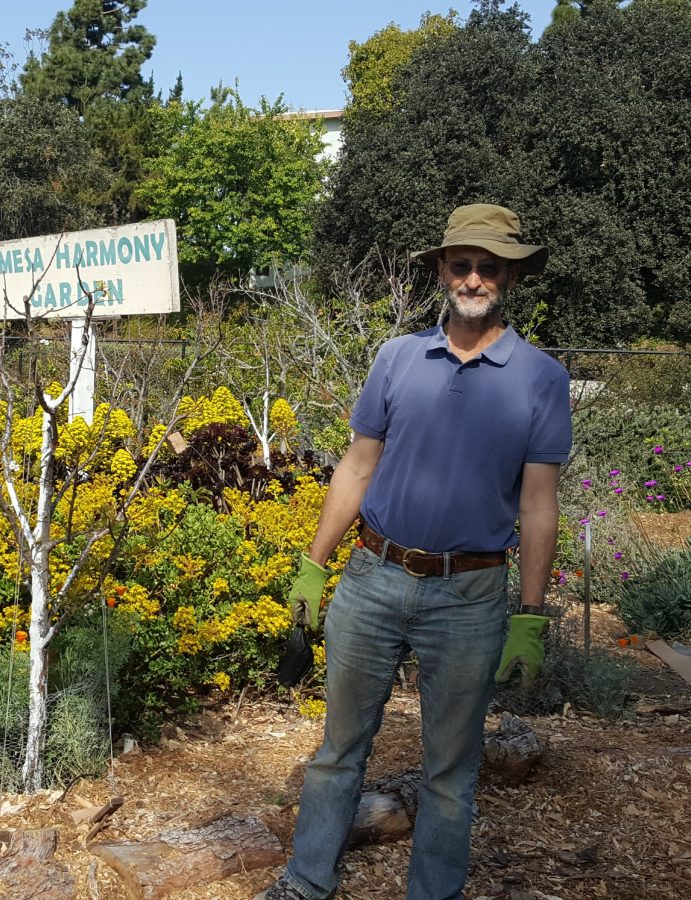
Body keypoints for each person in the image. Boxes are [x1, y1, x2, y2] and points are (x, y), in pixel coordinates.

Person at [260, 204, 571, 900]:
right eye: (460, 263)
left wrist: (529, 612)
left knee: (448, 770)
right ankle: (305, 882)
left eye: (488, 266)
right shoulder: (396, 358)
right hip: (372, 580)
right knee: (338, 751)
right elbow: (356, 466)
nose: (472, 277)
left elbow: (537, 502)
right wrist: (315, 566)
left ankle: (434, 893)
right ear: (440, 270)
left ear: (508, 278)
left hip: (468, 598)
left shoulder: (540, 378)